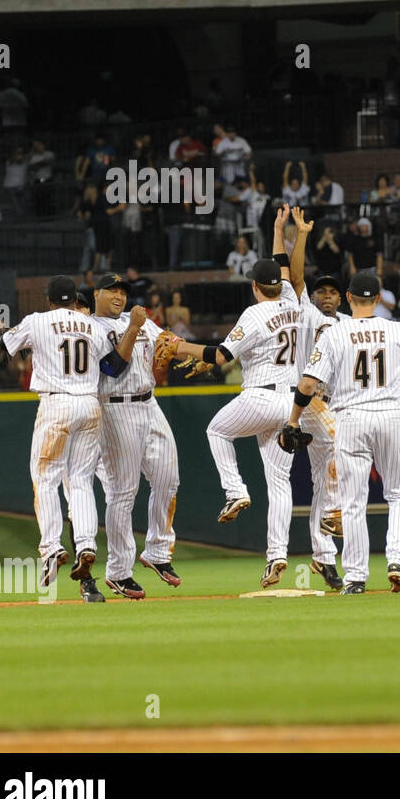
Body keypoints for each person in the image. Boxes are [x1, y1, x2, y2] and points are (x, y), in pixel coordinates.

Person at [159, 208, 306, 588]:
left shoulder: (254, 314)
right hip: (291, 405)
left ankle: (235, 491)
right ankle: (277, 555)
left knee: (217, 431)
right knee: (280, 483)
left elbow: (221, 357)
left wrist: (180, 347)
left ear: (256, 287)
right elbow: (283, 265)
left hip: (260, 397)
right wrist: (279, 230)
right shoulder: (293, 302)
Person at [283, 270, 400, 594]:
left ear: (349, 298)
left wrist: (294, 420)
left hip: (351, 418)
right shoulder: (396, 330)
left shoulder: (336, 334)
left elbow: (308, 383)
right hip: (390, 416)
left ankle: (355, 577)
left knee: (352, 501)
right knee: (398, 492)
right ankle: (397, 562)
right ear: (378, 300)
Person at [2, 276, 138, 602]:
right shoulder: (92, 325)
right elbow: (114, 365)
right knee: (79, 481)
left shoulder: (38, 321)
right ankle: (87, 544)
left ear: (49, 300)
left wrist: (2, 322)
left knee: (46, 479)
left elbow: (6, 345)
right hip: (90, 405)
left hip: (56, 404)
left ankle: (51, 547)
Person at [90, 272, 181, 599]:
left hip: (149, 403)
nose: (119, 296)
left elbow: (169, 343)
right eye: (112, 290)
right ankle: (118, 571)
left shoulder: (137, 319)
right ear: (96, 292)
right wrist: (133, 329)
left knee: (169, 478)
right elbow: (112, 368)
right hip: (116, 408)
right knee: (123, 491)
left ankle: (157, 552)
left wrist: (208, 353)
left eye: (123, 291)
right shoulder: (92, 327)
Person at [285, 212, 349, 589]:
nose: (326, 296)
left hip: (336, 401)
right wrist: (302, 235)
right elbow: (295, 277)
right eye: (321, 291)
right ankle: (331, 520)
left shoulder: (346, 324)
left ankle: (324, 559)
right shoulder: (307, 312)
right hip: (308, 402)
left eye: (332, 292)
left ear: (341, 298)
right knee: (339, 446)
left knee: (325, 480)